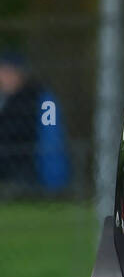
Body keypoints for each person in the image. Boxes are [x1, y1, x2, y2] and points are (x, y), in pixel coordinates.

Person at [0, 51, 71, 194]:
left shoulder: (41, 99)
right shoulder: (5, 99)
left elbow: (51, 138)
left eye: (9, 72)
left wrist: (54, 180)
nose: (5, 77)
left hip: (27, 166)